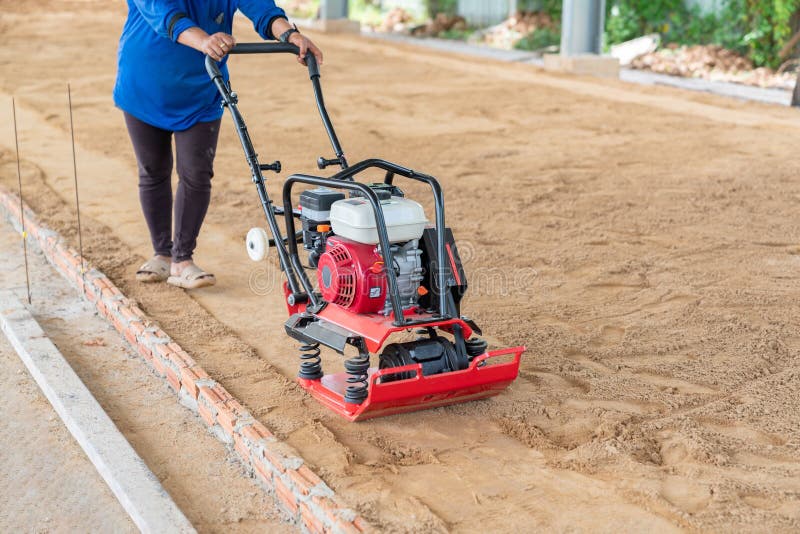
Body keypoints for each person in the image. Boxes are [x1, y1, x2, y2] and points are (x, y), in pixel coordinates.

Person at [114, 0, 323, 289]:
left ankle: (182, 260)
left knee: (196, 173)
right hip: (144, 87)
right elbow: (163, 16)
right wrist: (204, 40)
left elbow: (262, 9)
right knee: (153, 170)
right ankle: (161, 253)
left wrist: (290, 35)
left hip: (202, 90)